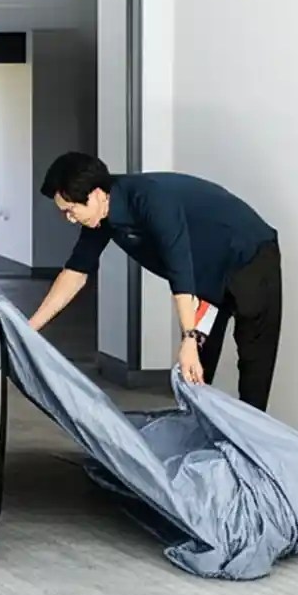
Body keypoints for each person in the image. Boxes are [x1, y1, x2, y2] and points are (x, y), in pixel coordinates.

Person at [28, 152, 283, 412]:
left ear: (95, 194)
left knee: (254, 362)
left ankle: (253, 444)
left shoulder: (150, 198)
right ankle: (197, 438)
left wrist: (188, 336)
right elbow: (75, 273)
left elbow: (179, 267)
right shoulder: (101, 217)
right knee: (195, 369)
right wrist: (30, 328)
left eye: (71, 211)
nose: (70, 219)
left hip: (249, 257)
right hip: (205, 276)